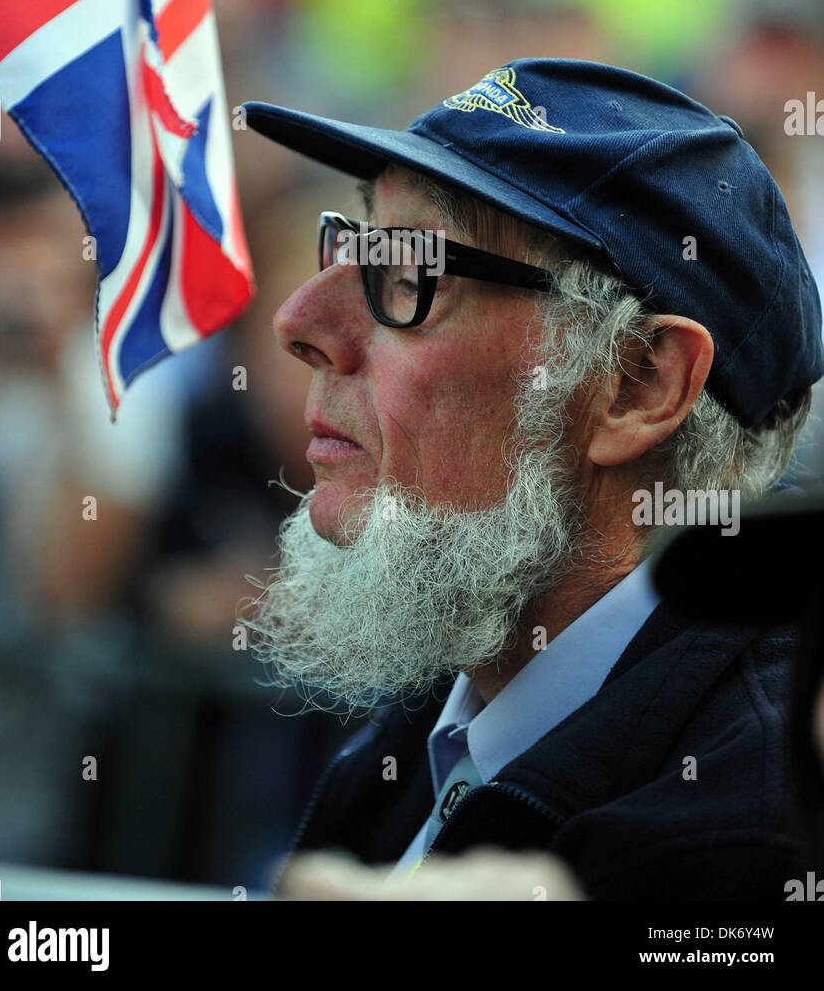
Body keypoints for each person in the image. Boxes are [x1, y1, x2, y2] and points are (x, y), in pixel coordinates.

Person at [238, 57, 823, 900]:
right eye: (352, 245)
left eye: (410, 276)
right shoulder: (446, 710)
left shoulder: (751, 827)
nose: (299, 321)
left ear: (637, 383)